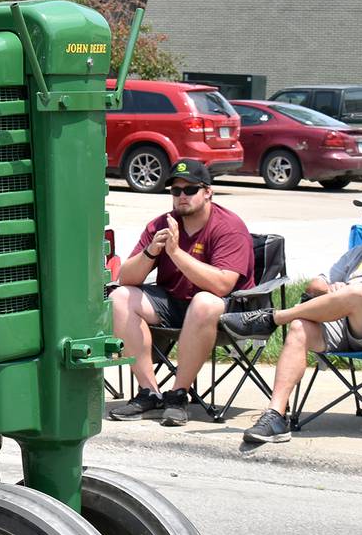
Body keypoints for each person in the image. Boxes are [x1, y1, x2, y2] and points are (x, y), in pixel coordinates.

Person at [222, 180, 362, 444]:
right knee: (299, 327)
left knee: (359, 292)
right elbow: (314, 284)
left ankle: (272, 318)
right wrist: (336, 291)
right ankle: (276, 415)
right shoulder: (359, 253)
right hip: (344, 323)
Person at [107, 159, 256, 426]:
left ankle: (178, 395)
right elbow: (126, 278)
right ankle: (149, 392)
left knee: (204, 302)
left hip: (224, 312)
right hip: (174, 303)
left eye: (190, 190)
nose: (182, 197)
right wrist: (152, 251)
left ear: (208, 191)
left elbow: (222, 285)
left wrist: (175, 253)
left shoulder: (228, 227)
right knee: (120, 297)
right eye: (176, 191)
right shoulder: (161, 225)